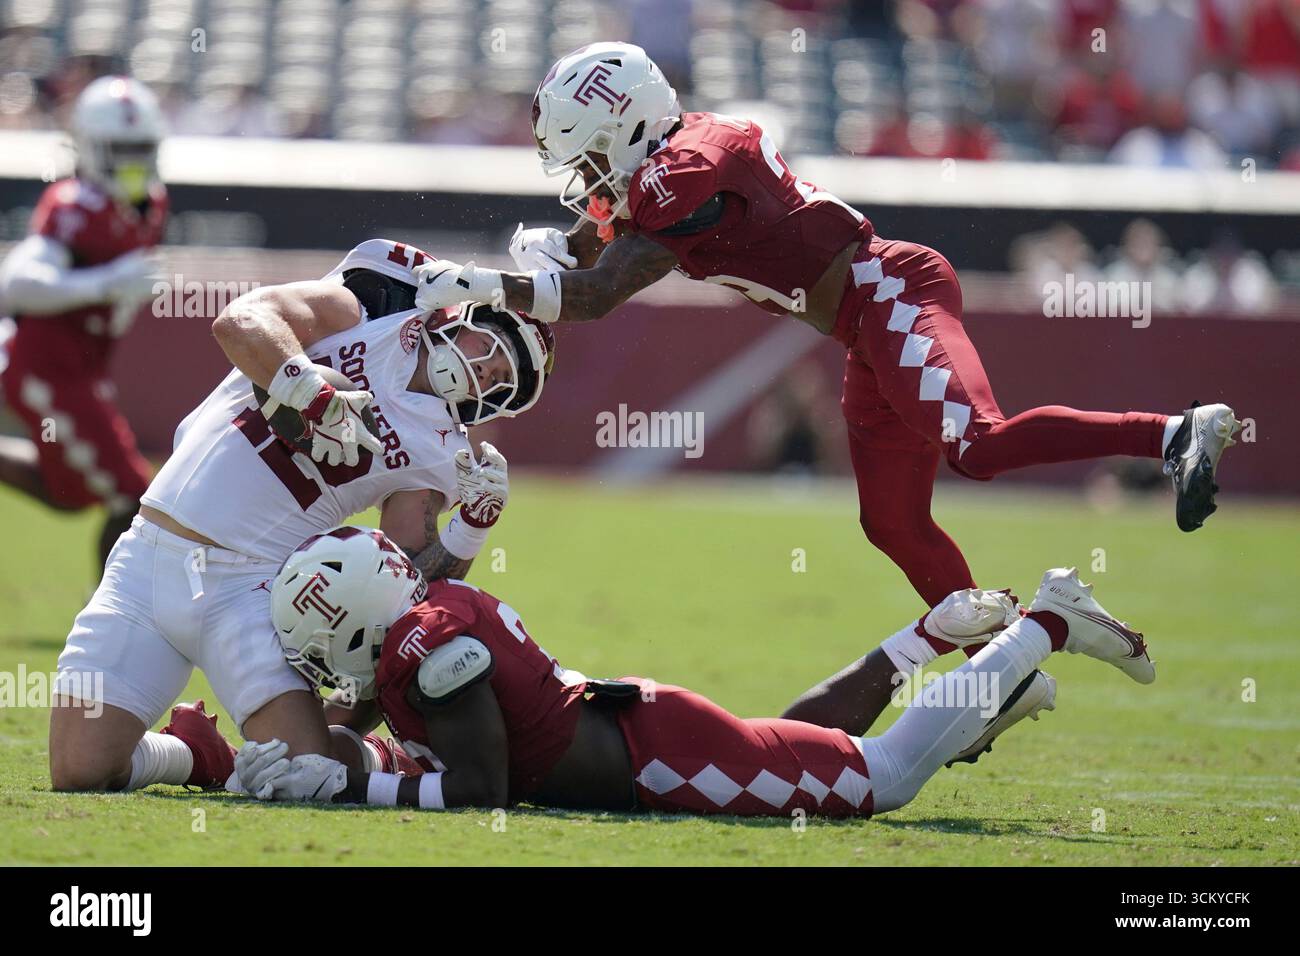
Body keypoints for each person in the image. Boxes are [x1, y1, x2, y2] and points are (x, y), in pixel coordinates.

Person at [408, 41, 1238, 759]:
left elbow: (595, 294)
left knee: (977, 446)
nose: (587, 181)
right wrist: (564, 246)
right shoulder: (671, 162)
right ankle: (1003, 662)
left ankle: (1172, 433)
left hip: (890, 291)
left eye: (591, 158)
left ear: (625, 125)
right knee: (895, 522)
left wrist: (479, 280)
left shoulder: (680, 172)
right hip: (859, 327)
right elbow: (604, 236)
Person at [47, 236, 554, 796]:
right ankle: (195, 758)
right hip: (146, 552)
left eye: (502, 379)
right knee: (82, 770)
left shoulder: (439, 453)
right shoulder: (370, 313)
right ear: (462, 318)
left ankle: (368, 757)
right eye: (490, 347)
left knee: (307, 775)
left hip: (246, 590)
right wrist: (309, 392)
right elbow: (241, 320)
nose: (483, 371)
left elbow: (406, 580)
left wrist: (471, 529)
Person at [232, 527, 1154, 818]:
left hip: (651, 756)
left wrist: (351, 789)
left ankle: (1045, 622)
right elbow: (444, 760)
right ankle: (945, 650)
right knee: (800, 742)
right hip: (648, 737)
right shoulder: (423, 623)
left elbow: (479, 788)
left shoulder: (422, 649)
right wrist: (344, 762)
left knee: (881, 783)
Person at [0, 75, 166, 572]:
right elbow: (18, 284)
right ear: (92, 147)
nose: (134, 161)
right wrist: (106, 282)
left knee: (68, 493)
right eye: (122, 148)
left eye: (142, 148)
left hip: (83, 365)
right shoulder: (74, 205)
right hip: (47, 364)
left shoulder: (151, 202)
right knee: (133, 495)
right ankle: (112, 617)